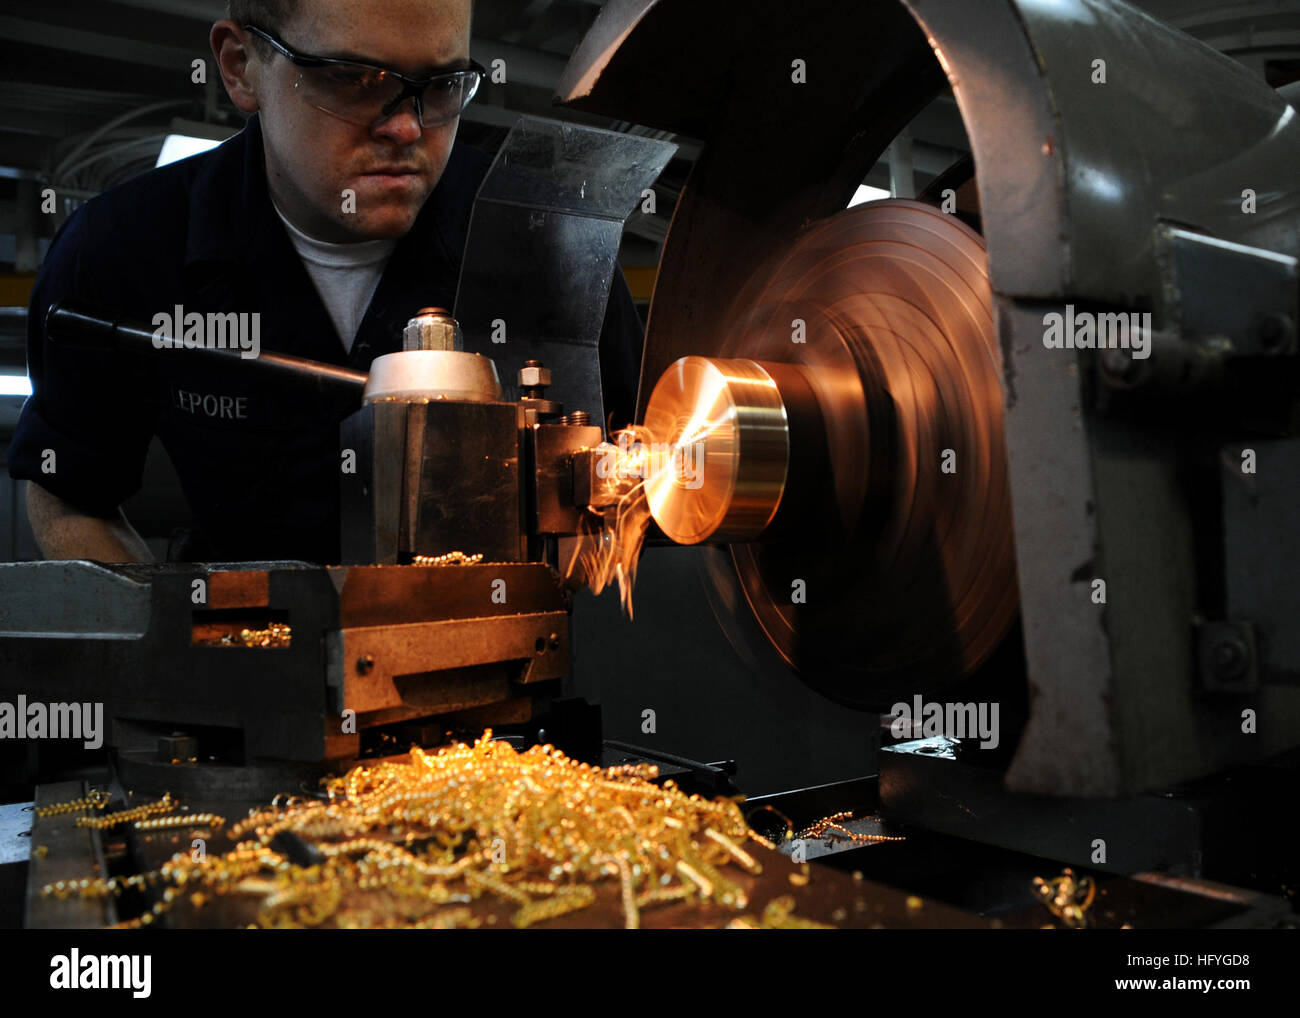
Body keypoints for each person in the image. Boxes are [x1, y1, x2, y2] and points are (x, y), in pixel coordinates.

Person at [7, 0, 645, 564]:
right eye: (355, 80)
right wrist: (187, 650)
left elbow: (650, 472)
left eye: (444, 84)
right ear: (239, 65)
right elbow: (69, 495)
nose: (406, 128)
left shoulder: (553, 242)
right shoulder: (123, 249)